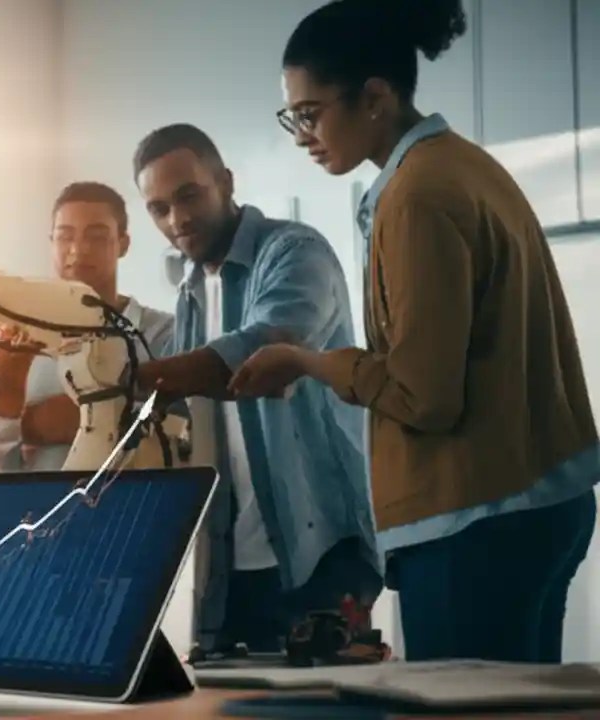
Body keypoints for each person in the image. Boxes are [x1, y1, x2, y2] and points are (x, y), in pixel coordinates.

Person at [229, 0, 598, 663]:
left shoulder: (418, 195)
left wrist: (310, 362)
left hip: (477, 524)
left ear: (373, 97)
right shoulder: (461, 165)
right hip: (540, 507)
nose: (300, 134)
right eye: (292, 118)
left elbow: (425, 397)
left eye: (309, 114)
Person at [132, 124, 382, 655]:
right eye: (158, 209)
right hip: (232, 565)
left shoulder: (295, 251)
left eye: (188, 195)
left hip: (320, 554)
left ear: (225, 182)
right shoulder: (192, 291)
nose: (176, 219)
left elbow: (269, 347)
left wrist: (142, 381)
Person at [0, 182, 175, 472]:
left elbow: (176, 436)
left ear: (123, 243)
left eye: (96, 237)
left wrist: (31, 423)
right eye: (64, 236)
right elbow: (0, 463)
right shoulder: (22, 337)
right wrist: (6, 394)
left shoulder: (161, 335)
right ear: (52, 242)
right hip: (41, 512)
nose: (78, 249)